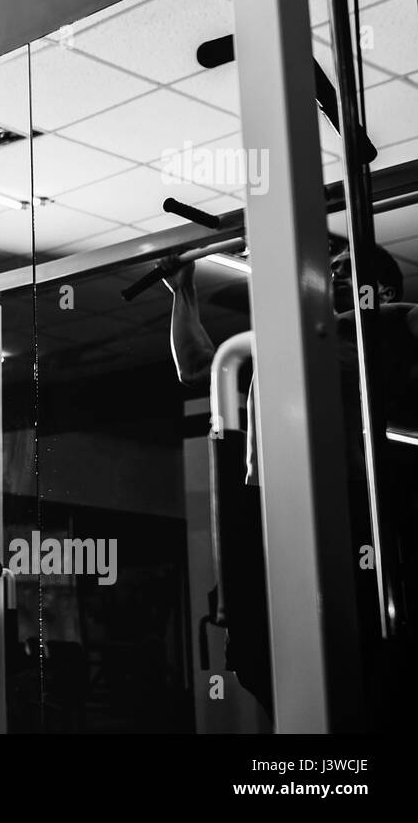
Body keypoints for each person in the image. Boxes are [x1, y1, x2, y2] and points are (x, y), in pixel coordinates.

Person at [162, 243, 418, 725]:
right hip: (270, 508)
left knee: (367, 662)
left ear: (379, 289)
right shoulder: (293, 345)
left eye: (343, 272)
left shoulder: (383, 330)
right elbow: (196, 367)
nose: (333, 278)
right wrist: (183, 291)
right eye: (332, 271)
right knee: (261, 658)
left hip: (353, 509)